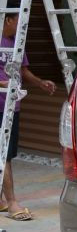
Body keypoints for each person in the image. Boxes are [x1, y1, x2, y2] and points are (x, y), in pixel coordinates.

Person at [0, 13, 57, 220]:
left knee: (7, 153)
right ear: (8, 19)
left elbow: (23, 71)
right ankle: (13, 202)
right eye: (20, 21)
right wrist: (3, 84)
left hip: (13, 106)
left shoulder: (17, 43)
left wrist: (40, 82)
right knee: (3, 155)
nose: (23, 26)